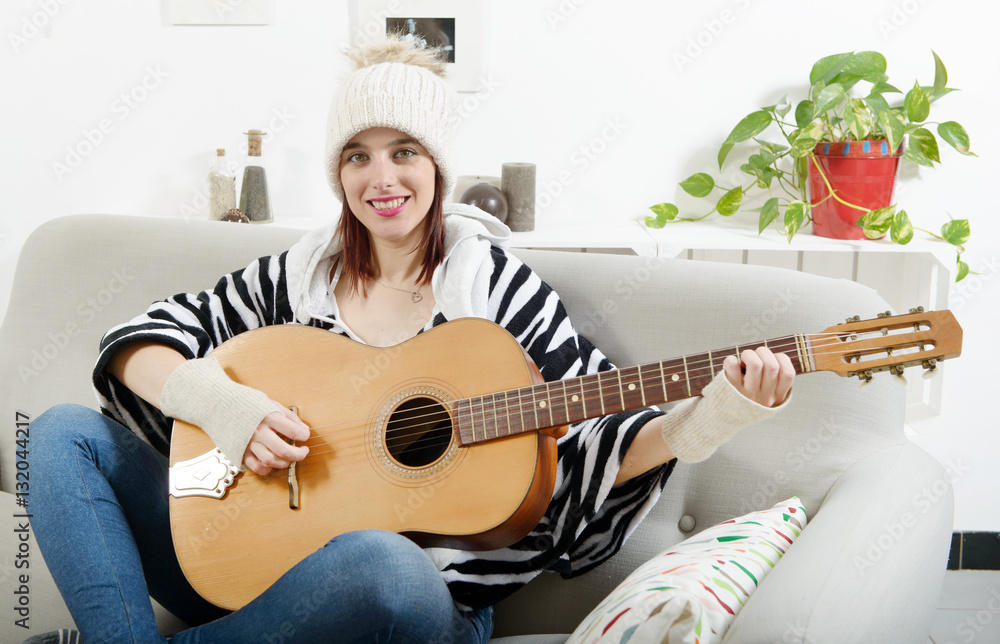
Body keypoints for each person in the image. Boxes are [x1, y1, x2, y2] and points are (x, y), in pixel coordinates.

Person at [28, 35, 795, 643]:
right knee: (59, 434)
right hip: (246, 569)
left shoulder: (494, 292)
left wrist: (712, 417)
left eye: (404, 151)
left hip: (409, 603)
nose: (381, 177)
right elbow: (142, 340)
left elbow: (586, 434)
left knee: (384, 563)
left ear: (438, 166)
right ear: (338, 174)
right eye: (357, 156)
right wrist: (224, 407)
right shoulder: (296, 280)